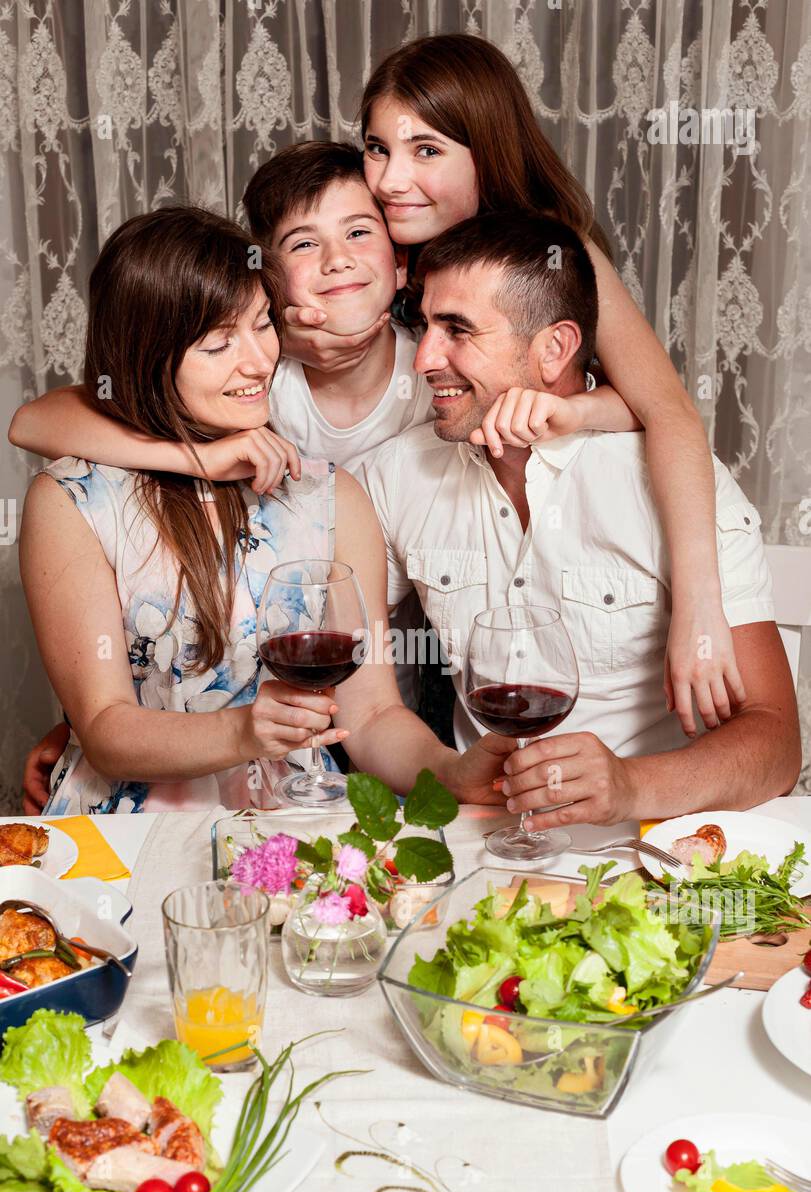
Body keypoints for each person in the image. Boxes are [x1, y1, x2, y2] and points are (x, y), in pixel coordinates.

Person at [12, 136, 638, 803]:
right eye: (219, 343)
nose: (254, 361)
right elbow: (106, 726)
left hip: (305, 814)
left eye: (260, 327)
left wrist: (453, 774)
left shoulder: (340, 485)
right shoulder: (73, 499)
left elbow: (369, 714)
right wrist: (242, 731)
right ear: (148, 355)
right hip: (133, 825)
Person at [282, 32, 743, 739]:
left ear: (487, 153)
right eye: (377, 148)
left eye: (426, 150)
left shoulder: (551, 253)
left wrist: (699, 608)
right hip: (380, 569)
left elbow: (667, 410)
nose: (389, 180)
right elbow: (178, 374)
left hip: (467, 590)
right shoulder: (363, 238)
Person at [359, 212, 801, 827]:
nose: (423, 359)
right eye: (424, 324)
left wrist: (628, 785)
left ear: (554, 349)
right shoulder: (393, 476)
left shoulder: (673, 485)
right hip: (479, 844)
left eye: (457, 330)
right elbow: (367, 706)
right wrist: (450, 772)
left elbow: (776, 744)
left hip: (647, 855)